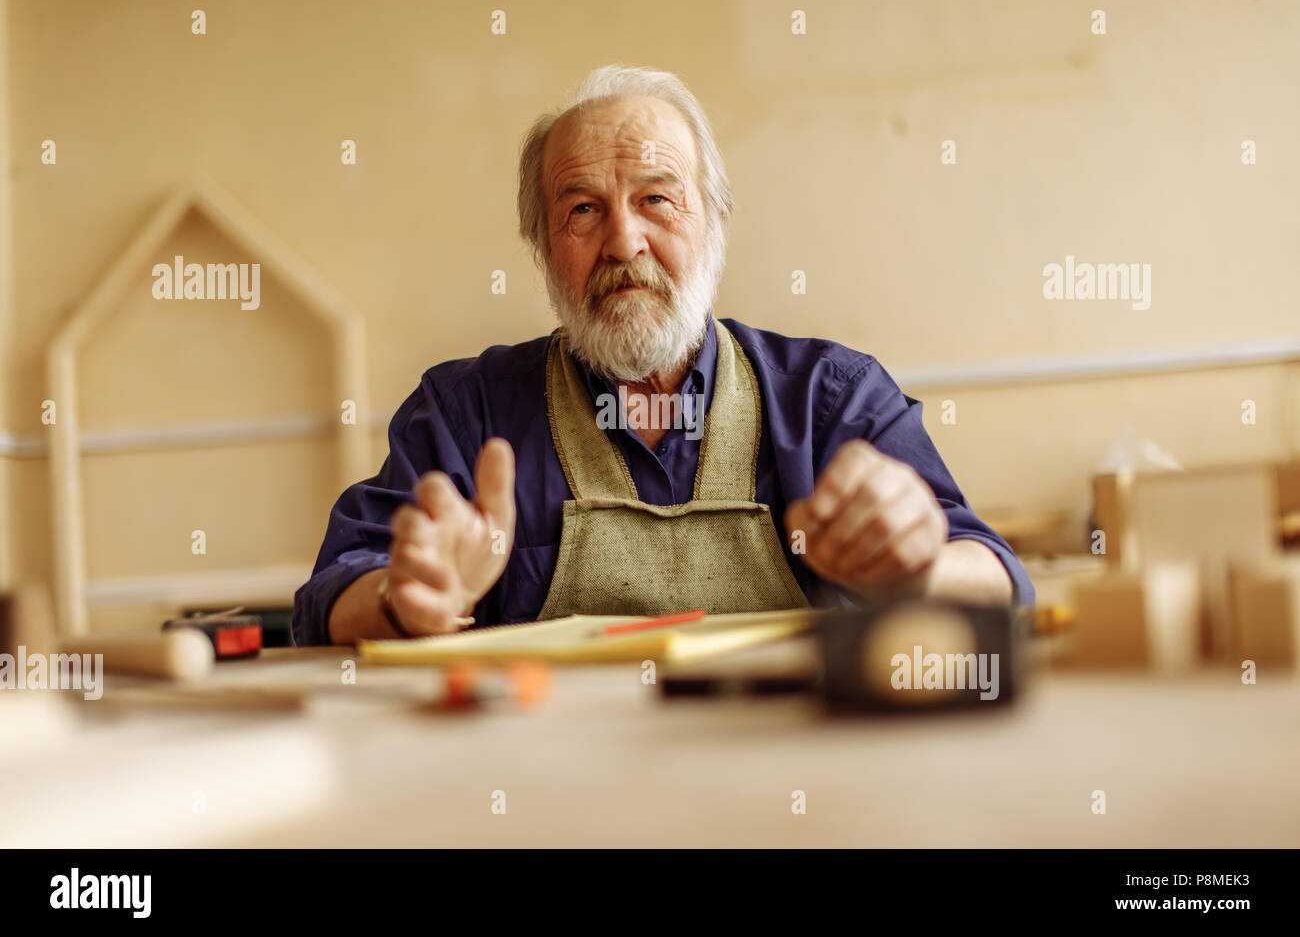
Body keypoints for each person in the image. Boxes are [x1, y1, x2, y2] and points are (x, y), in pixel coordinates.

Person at [292, 65, 1033, 646]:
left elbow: (998, 575)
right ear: (545, 247)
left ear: (713, 223)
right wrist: (404, 599)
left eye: (656, 200)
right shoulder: (465, 412)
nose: (623, 242)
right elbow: (329, 597)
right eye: (582, 209)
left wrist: (922, 563)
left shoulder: (830, 398)